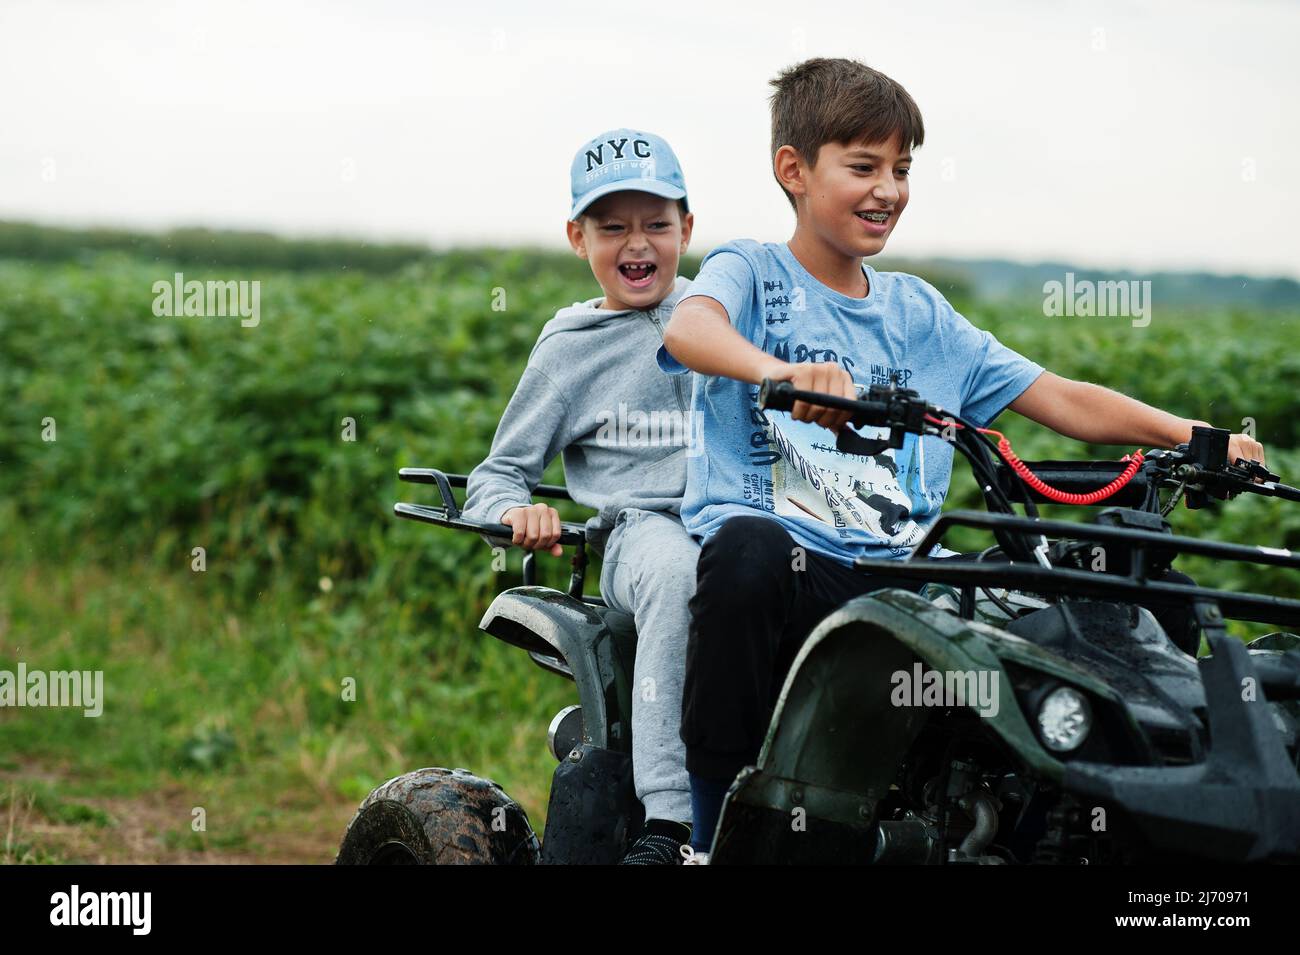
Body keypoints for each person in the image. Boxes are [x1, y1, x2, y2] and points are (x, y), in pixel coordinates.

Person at [658, 57, 1267, 860]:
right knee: (746, 548)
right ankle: (710, 837)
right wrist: (779, 372)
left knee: (1123, 585)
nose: (889, 190)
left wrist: (1192, 435)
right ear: (793, 170)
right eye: (864, 166)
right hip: (801, 568)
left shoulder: (919, 312)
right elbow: (688, 329)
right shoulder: (753, 270)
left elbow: (1063, 399)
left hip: (914, 574)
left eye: (902, 169)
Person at [462, 128, 701, 863]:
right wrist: (515, 510)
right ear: (577, 236)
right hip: (641, 533)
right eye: (613, 226)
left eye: (657, 223)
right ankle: (671, 821)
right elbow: (496, 474)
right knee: (676, 573)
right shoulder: (570, 347)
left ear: (686, 228)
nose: (639, 244)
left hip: (738, 515)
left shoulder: (717, 310)